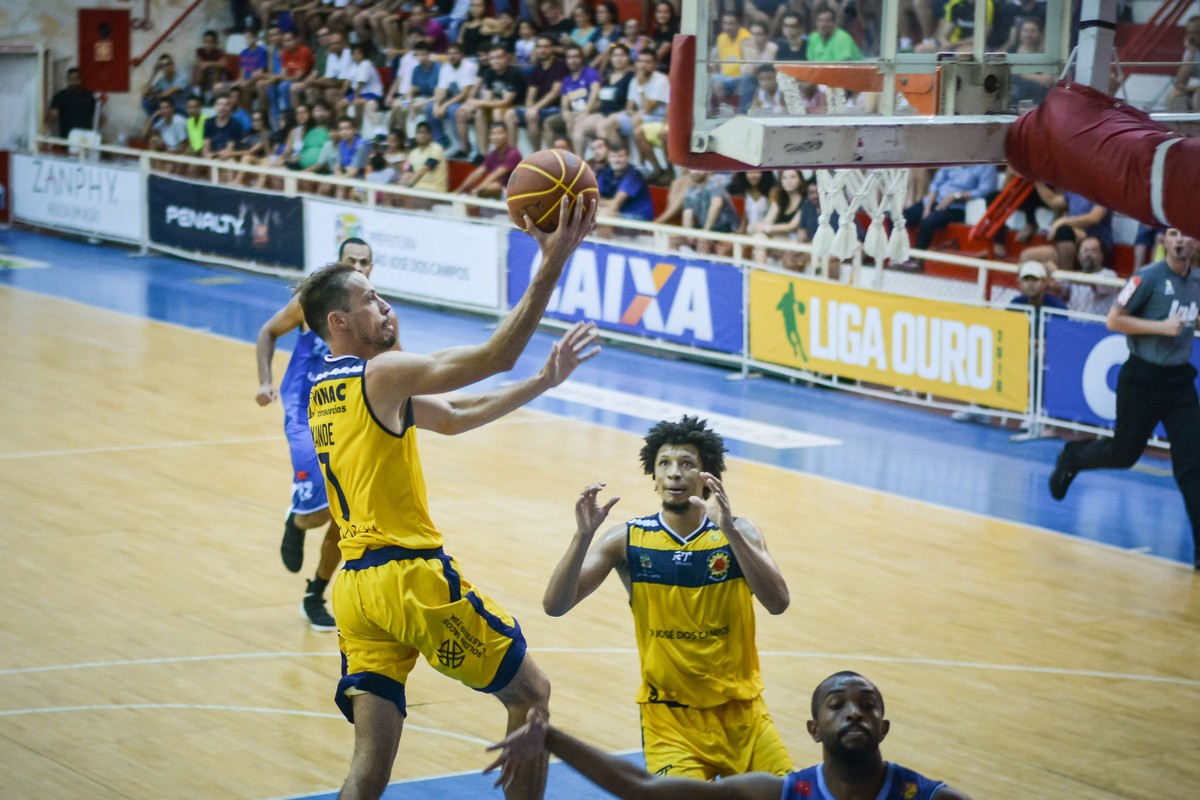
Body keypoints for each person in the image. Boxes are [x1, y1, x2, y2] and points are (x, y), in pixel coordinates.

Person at [295, 196, 598, 800]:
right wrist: (551, 264)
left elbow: (455, 416)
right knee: (532, 694)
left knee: (368, 769)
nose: (385, 306)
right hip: (408, 579)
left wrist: (542, 381)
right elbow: (495, 357)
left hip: (356, 592)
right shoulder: (378, 375)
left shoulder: (325, 387)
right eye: (370, 300)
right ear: (339, 322)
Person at [542, 416, 792, 780]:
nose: (674, 473)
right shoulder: (626, 539)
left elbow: (778, 602)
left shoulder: (740, 532)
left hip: (744, 716)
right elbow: (555, 605)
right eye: (665, 464)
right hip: (670, 722)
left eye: (686, 463)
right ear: (654, 476)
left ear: (706, 476)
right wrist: (582, 537)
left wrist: (730, 532)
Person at [486, 671, 973, 800]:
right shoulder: (783, 793)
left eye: (867, 706)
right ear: (813, 730)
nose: (854, 714)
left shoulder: (929, 797)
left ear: (883, 727)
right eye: (837, 706)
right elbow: (643, 789)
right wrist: (551, 739)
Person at [1049, 228, 1200, 569]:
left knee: (1193, 466)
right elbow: (1113, 320)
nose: (1179, 240)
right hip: (1142, 379)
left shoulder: (1196, 281)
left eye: (1186, 234)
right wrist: (1161, 327)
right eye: (1173, 233)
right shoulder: (1146, 277)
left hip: (1179, 382)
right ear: (1163, 240)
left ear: (1196, 241)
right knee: (1124, 454)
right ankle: (1074, 456)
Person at [256, 239, 377, 631]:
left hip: (349, 416)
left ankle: (315, 595)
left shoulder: (378, 313)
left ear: (372, 268)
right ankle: (297, 520)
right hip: (305, 414)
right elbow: (268, 332)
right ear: (338, 264)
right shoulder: (310, 303)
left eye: (364, 262)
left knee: (346, 521)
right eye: (350, 260)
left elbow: (396, 362)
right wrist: (265, 381)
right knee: (317, 516)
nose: (358, 266)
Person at [455, 121, 522, 198]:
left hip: (514, 194)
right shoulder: (492, 154)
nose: (495, 137)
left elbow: (495, 175)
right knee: (489, 187)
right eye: (493, 134)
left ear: (507, 135)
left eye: (499, 133)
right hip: (499, 193)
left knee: (494, 186)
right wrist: (458, 191)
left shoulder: (514, 153)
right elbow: (477, 173)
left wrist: (477, 192)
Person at [47, 67, 96, 139]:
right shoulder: (60, 96)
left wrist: (96, 133)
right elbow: (53, 115)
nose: (73, 82)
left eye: (76, 79)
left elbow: (98, 116)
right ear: (67, 80)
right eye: (71, 79)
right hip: (67, 137)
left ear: (80, 80)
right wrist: (47, 127)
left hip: (85, 138)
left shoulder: (89, 96)